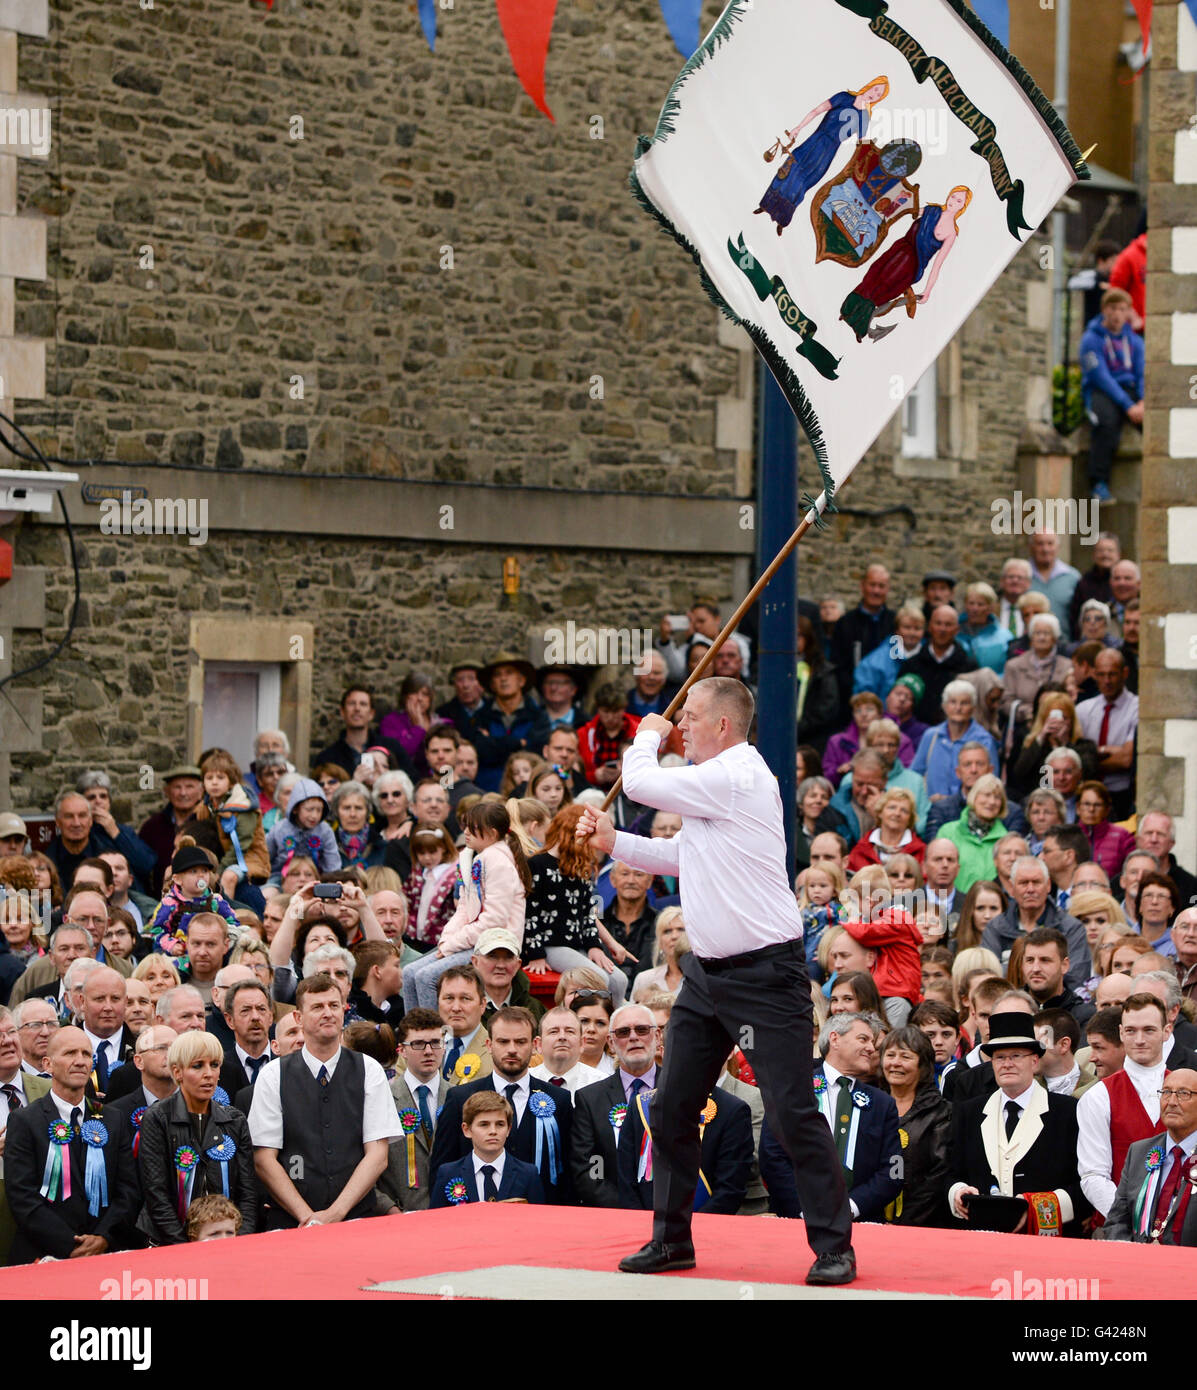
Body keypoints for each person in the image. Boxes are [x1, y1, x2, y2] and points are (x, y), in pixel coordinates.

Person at [576, 677, 856, 1283]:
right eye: (677, 719)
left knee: (790, 1111)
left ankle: (835, 1245)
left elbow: (645, 781)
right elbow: (686, 858)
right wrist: (614, 840)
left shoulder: (739, 775)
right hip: (706, 974)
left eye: (690, 716)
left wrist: (644, 736)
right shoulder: (718, 787)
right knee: (672, 1103)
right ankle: (672, 1240)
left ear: (723, 726)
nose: (679, 725)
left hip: (765, 974)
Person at [249, 972, 400, 1229]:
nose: (328, 1013)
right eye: (317, 1007)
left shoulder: (369, 1070)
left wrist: (334, 1214)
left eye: (333, 1005)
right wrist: (307, 1217)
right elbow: (264, 1159)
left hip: (357, 1218)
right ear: (298, 1017)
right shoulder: (273, 1075)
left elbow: (377, 1155)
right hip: (290, 1222)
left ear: (344, 1009)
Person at [947, 1011, 1089, 1236]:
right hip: (983, 1238)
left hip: (1047, 1242)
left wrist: (1032, 1209)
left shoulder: (1068, 1111)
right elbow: (951, 1172)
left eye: (1016, 1056)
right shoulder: (969, 1112)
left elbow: (1084, 1182)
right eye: (1000, 1057)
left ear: (1034, 1061)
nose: (1007, 1064)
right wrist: (957, 1191)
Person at [3, 1026, 137, 1264]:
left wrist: (103, 1237)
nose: (80, 1061)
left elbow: (127, 1190)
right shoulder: (25, 1120)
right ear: (48, 1064)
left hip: (105, 1253)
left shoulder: (112, 1118)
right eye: (70, 1053)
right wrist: (70, 1244)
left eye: (86, 1054)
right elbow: (22, 1195)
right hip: (43, 1256)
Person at [758, 1013, 901, 1222]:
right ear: (835, 1039)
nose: (871, 1048)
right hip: (795, 1222)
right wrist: (802, 1208)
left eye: (872, 1041)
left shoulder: (882, 1104)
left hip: (860, 1223)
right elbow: (772, 1155)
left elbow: (892, 1171)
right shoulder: (794, 1088)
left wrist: (850, 1208)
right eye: (863, 1039)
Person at [429, 1005, 573, 1204]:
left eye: (521, 1042)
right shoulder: (459, 1098)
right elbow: (441, 1168)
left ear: (535, 1045)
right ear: (489, 1045)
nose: (512, 1049)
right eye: (503, 1041)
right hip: (470, 1221)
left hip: (542, 1219)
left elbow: (568, 1171)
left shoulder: (559, 1100)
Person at [402, 801, 529, 1011]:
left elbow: (494, 921)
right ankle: (412, 1033)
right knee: (408, 973)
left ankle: (434, 1037)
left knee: (427, 977)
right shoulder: (472, 858)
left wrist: (453, 945)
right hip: (472, 938)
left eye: (473, 828)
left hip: (493, 942)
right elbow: (464, 908)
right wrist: (447, 939)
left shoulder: (499, 862)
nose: (466, 832)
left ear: (491, 833)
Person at [135, 1030, 256, 1245]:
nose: (208, 1073)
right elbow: (156, 1194)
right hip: (168, 1242)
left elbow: (247, 1193)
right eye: (197, 1066)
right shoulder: (157, 1118)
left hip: (227, 1242)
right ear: (177, 1071)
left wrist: (240, 1241)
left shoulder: (235, 1120)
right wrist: (183, 1246)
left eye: (215, 1064)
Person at [1076, 991, 1172, 1224]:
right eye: (1131, 1031)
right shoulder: (1098, 1097)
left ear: (1166, 1032)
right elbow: (1093, 1175)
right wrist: (1134, 1220)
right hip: (1118, 1229)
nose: (1139, 1039)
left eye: (1149, 1030)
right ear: (1121, 1033)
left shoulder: (1188, 1091)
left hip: (1179, 1229)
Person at [616, 1059, 754, 1217]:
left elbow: (731, 1188)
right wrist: (641, 1223)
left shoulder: (732, 1110)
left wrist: (695, 1229)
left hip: (707, 1229)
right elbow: (626, 1179)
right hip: (644, 1228)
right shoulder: (640, 1106)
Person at [522, 805, 627, 1002]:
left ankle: (617, 1021)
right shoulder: (536, 865)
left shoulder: (581, 868)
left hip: (576, 944)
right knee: (599, 979)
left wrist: (594, 945)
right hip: (549, 945)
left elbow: (588, 912)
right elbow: (529, 912)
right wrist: (535, 953)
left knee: (619, 980)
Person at [571, 1002, 661, 1207]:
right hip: (614, 1215)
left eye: (641, 1029)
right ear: (611, 1043)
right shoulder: (590, 1099)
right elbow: (586, 1169)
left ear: (657, 1037)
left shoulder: (680, 1092)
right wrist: (626, 1209)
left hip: (673, 1214)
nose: (633, 1037)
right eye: (623, 1032)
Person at [1102, 1068, 1197, 1244]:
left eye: (1184, 1094)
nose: (1172, 1102)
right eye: (1166, 1092)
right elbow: (1117, 1220)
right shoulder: (1139, 1152)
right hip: (1138, 1264)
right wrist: (1131, 1257)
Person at [375, 1008, 449, 1213]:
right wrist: (389, 1208)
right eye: (418, 1044)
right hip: (400, 1214)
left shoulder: (457, 1098)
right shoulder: (383, 1099)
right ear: (402, 1050)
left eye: (435, 1043)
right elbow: (365, 1164)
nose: (428, 1051)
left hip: (451, 1213)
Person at [980, 857, 1091, 991]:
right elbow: (988, 979)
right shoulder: (995, 928)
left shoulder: (1071, 928)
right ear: (1011, 888)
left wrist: (1010, 968)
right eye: (1023, 883)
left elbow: (1076, 978)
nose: (1030, 889)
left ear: (1048, 885)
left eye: (1036, 882)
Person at [878, 1025, 951, 1226]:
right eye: (890, 1055)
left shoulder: (940, 1111)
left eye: (905, 1057)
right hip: (872, 1221)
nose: (895, 1063)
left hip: (923, 1224)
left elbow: (938, 1174)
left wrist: (905, 1222)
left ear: (923, 1065)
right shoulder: (871, 1106)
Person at [1080, 287, 1145, 502]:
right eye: (1113, 308)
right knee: (1106, 423)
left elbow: (1142, 373)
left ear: (1128, 313)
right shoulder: (1090, 339)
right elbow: (1100, 376)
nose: (1117, 314)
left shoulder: (1135, 341)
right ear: (1104, 310)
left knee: (1154, 422)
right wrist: (1128, 405)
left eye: (1122, 309)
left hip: (1131, 392)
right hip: (1102, 391)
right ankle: (1099, 483)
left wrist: (1143, 402)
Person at [429, 1091, 545, 1207]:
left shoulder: (527, 1174)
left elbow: (538, 1220)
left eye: (500, 1124)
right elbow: (437, 1219)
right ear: (467, 1130)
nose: (493, 1131)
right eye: (484, 1125)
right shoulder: (448, 1173)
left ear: (508, 1129)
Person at [911, 681, 999, 804]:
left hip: (969, 810)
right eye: (953, 702)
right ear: (944, 706)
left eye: (964, 703)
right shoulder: (931, 736)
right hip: (932, 809)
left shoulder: (984, 740)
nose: (958, 708)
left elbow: (992, 782)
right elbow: (915, 775)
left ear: (973, 708)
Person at [1076, 650, 1138, 820]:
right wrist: (1108, 751)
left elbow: (1126, 759)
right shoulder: (1083, 709)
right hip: (1087, 793)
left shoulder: (1137, 708)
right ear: (1094, 674)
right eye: (1101, 675)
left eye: (1112, 674)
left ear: (1124, 673)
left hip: (1121, 794)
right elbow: (1075, 759)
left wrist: (1091, 758)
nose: (1107, 681)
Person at [937, 775, 1008, 893]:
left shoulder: (1006, 841)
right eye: (987, 795)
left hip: (990, 907)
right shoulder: (948, 832)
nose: (992, 802)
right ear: (974, 797)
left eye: (997, 797)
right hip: (952, 907)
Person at [215, 979, 275, 1097]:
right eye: (245, 1010)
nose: (255, 1017)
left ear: (271, 1017)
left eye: (261, 1009)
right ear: (229, 1020)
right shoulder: (218, 1070)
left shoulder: (286, 1065)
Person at [435, 966, 493, 1086]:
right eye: (449, 998)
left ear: (482, 1005)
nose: (456, 1008)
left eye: (465, 999)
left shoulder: (496, 1051)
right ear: (438, 1002)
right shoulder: (416, 1046)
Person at [530, 1006, 602, 1096]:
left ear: (582, 1043)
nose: (562, 1037)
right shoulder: (525, 1082)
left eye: (570, 1031)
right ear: (539, 1044)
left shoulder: (601, 1084)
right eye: (553, 1031)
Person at [1075, 780, 1135, 879]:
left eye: (1097, 805)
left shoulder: (1122, 836)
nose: (1091, 810)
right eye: (1086, 804)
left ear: (1107, 809)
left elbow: (1131, 872)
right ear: (1078, 807)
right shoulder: (1068, 835)